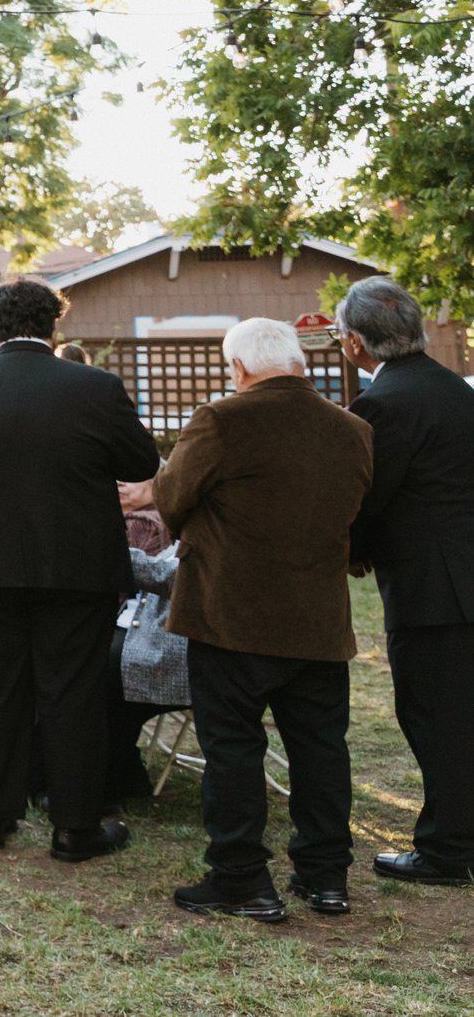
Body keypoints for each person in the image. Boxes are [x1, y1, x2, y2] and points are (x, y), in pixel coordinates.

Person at [125, 317, 373, 921]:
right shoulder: (355, 429)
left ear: (237, 368)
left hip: (230, 615)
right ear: (299, 362)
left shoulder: (220, 419)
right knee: (321, 749)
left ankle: (240, 878)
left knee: (233, 748)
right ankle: (325, 877)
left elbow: (175, 498)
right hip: (318, 616)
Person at [0, 277, 158, 862]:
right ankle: (76, 828)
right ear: (55, 324)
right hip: (77, 567)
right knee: (73, 692)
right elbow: (141, 459)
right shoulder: (95, 387)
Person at [337, 276, 474, 887]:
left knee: (436, 716)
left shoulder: (384, 403)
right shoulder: (457, 390)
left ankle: (447, 850)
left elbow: (368, 497)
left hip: (433, 585)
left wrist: (351, 551)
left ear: (355, 344)